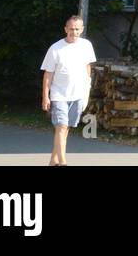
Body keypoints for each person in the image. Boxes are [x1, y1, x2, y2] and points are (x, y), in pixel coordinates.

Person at [40, 14, 96, 166]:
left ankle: (53, 160)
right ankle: (63, 162)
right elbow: (48, 75)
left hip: (78, 94)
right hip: (59, 94)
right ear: (65, 29)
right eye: (71, 29)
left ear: (82, 30)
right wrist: (46, 96)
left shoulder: (86, 45)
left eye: (77, 29)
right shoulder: (56, 48)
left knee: (65, 129)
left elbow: (87, 67)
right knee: (61, 126)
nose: (74, 32)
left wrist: (87, 89)